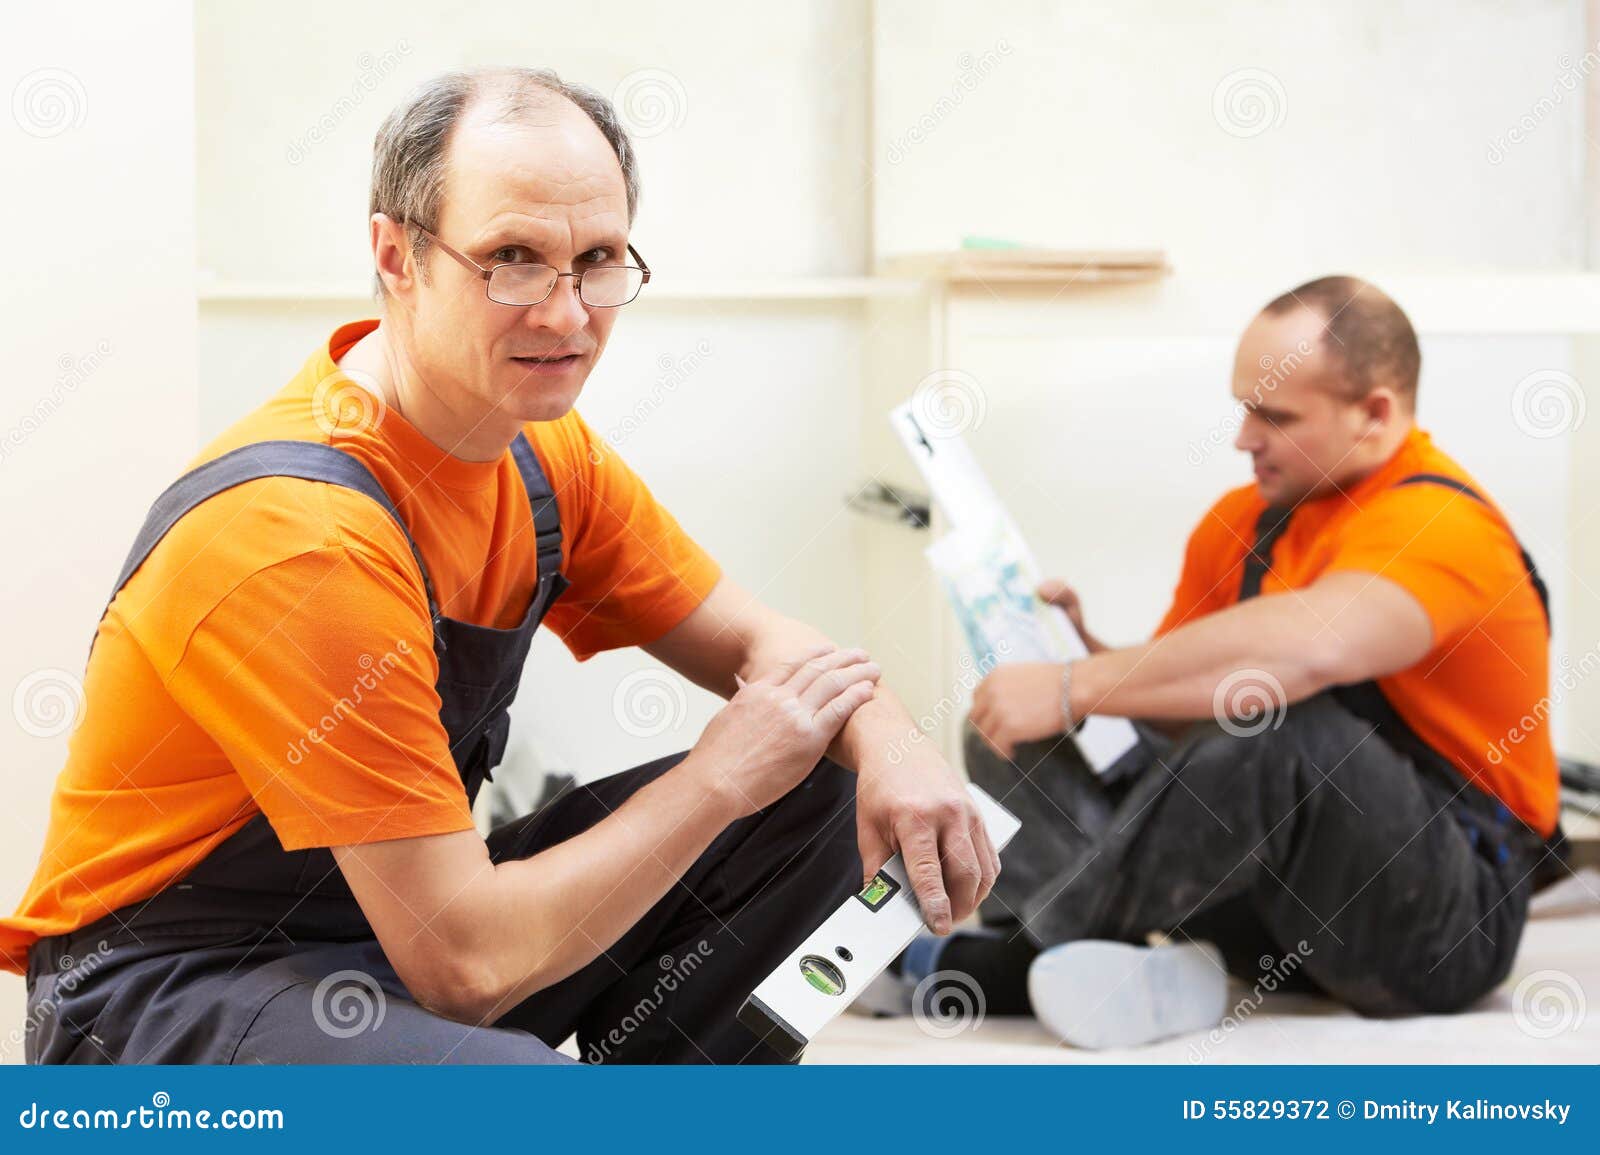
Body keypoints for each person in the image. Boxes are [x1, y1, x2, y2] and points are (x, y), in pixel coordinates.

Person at [1, 67, 1000, 1065]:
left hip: (387, 934)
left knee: (812, 794)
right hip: (164, 995)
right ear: (396, 255)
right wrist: (716, 776)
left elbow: (761, 645)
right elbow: (463, 966)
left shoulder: (535, 454)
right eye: (512, 259)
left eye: (597, 260)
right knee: (512, 1088)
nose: (566, 316)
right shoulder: (298, 536)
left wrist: (897, 748)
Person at [893, 276, 1559, 1050]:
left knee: (1282, 727)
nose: (1245, 436)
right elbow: (1177, 707)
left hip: (1436, 919)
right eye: (1244, 407)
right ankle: (1134, 966)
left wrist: (1076, 684)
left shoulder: (1445, 525)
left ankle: (1017, 958)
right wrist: (1085, 661)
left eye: (1275, 414)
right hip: (1271, 919)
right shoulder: (1239, 523)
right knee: (1012, 729)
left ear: (1375, 413)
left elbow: (1311, 646)